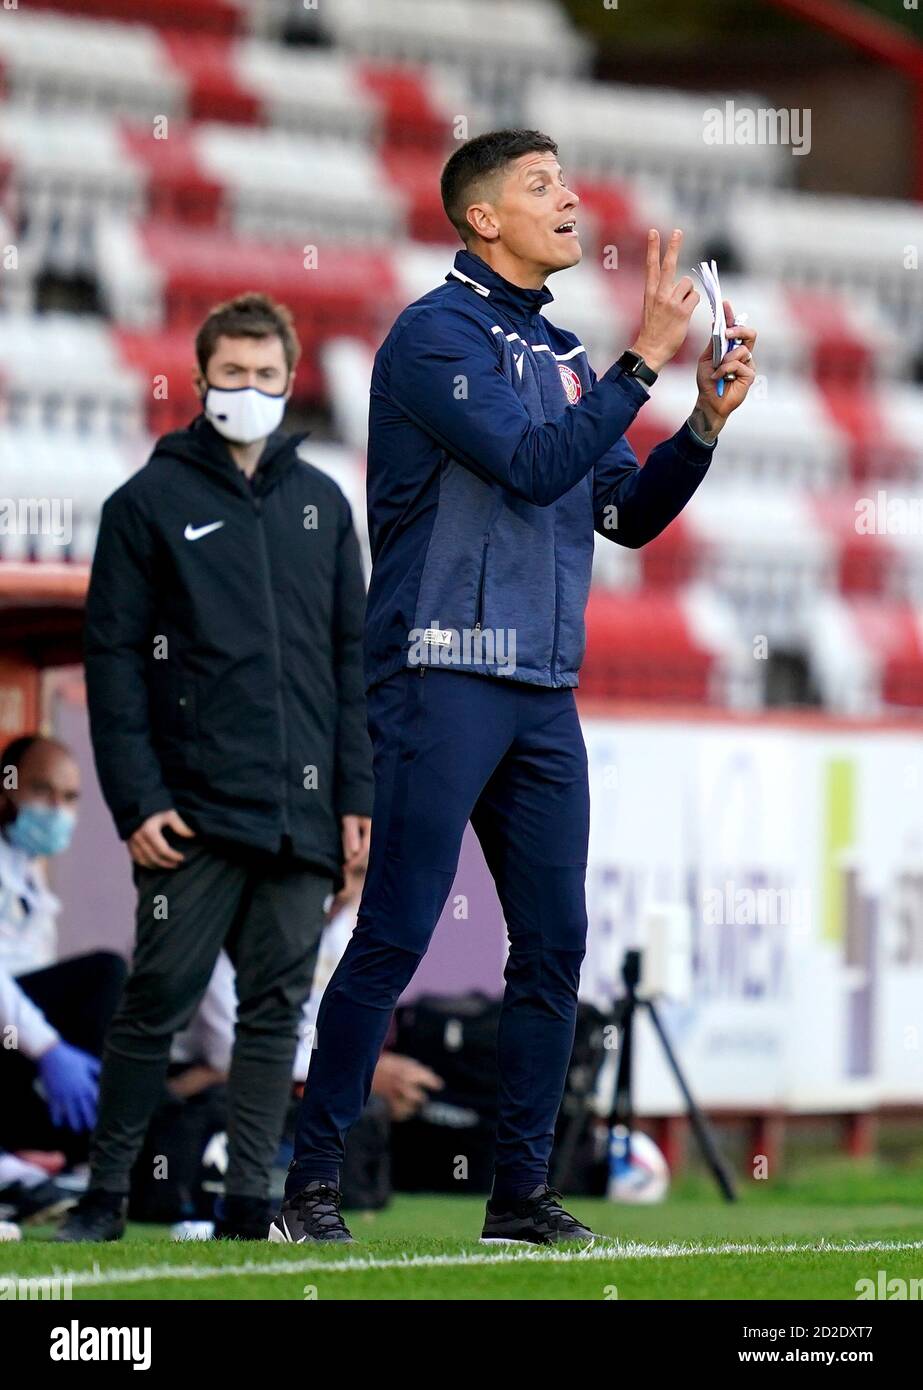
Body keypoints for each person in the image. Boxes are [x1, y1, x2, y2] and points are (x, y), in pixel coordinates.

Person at [275, 129, 757, 1246]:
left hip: (540, 686)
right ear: (480, 217)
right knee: (394, 931)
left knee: (552, 944)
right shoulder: (431, 336)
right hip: (440, 668)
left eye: (566, 180)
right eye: (540, 184)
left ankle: (519, 1200)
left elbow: (622, 513)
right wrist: (640, 359)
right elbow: (535, 466)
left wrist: (698, 424)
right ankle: (308, 1189)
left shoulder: (565, 357)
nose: (569, 197)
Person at [57, 292, 373, 1243]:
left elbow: (352, 663)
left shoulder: (324, 504)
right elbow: (110, 664)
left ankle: (246, 1208)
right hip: (190, 815)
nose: (248, 390)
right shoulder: (144, 504)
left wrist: (356, 801)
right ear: (198, 383)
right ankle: (104, 1198)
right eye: (230, 375)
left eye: (265, 376)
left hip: (303, 820)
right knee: (153, 1005)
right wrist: (136, 801)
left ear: (287, 383)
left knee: (276, 1019)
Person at [0, 734, 126, 1225]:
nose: (57, 809)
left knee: (149, 1091)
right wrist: (50, 1048)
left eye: (70, 797)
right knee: (103, 975)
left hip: (16, 1056)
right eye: (42, 791)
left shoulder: (29, 871)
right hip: (15, 1040)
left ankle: (62, 1161)